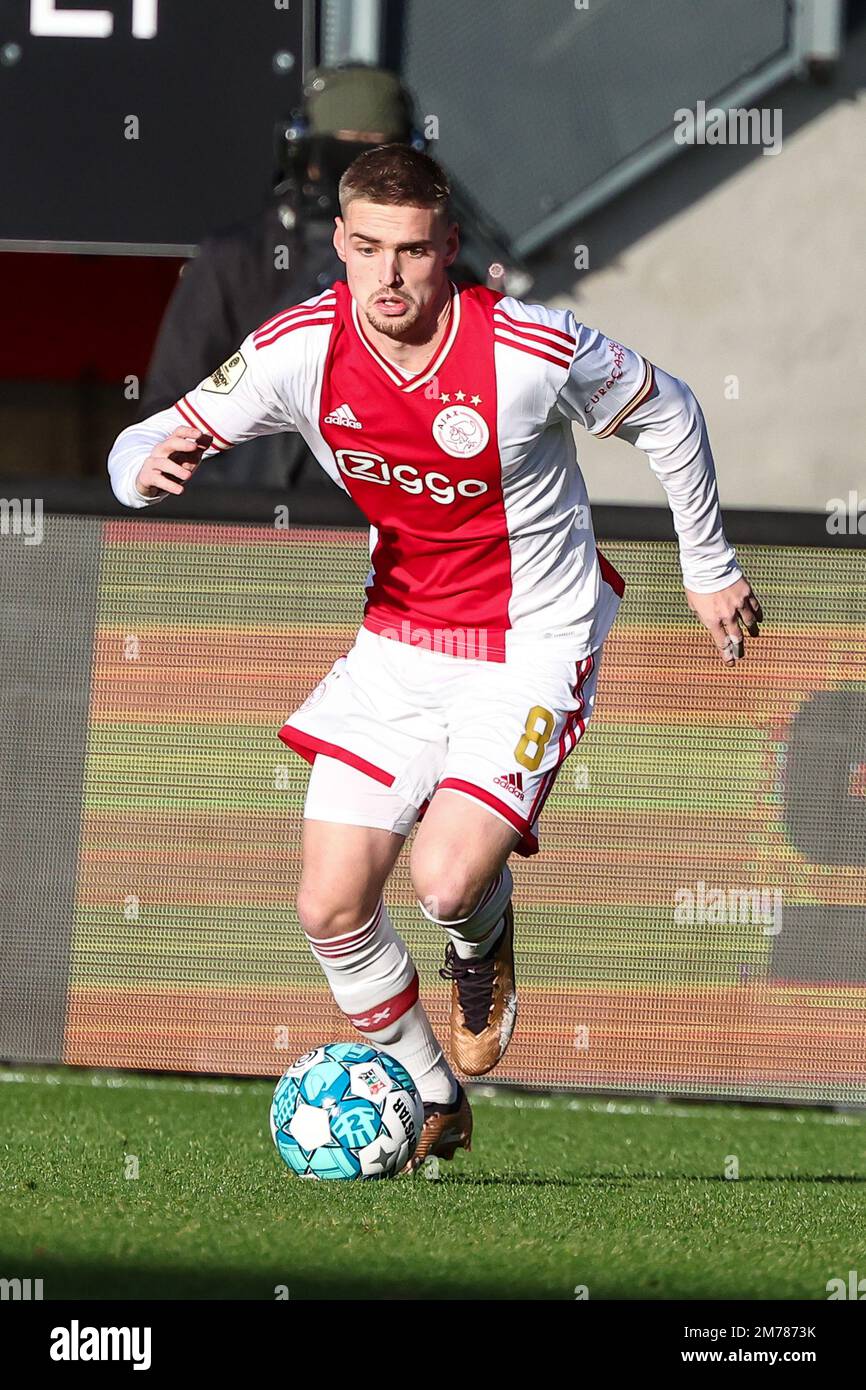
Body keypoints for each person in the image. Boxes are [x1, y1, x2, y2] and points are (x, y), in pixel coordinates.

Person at [107, 145, 763, 1174]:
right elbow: (145, 436)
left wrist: (707, 566)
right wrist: (142, 470)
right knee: (327, 905)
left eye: (412, 251)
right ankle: (430, 1093)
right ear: (338, 244)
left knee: (445, 878)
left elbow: (669, 408)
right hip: (395, 648)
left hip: (530, 645)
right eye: (366, 248)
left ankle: (477, 945)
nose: (389, 276)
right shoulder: (296, 348)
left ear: (448, 248)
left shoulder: (526, 351)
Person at [138, 65, 484, 494]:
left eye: (380, 167)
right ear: (304, 157)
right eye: (338, 157)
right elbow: (167, 413)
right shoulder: (235, 259)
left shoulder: (446, 269)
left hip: (386, 520)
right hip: (242, 519)